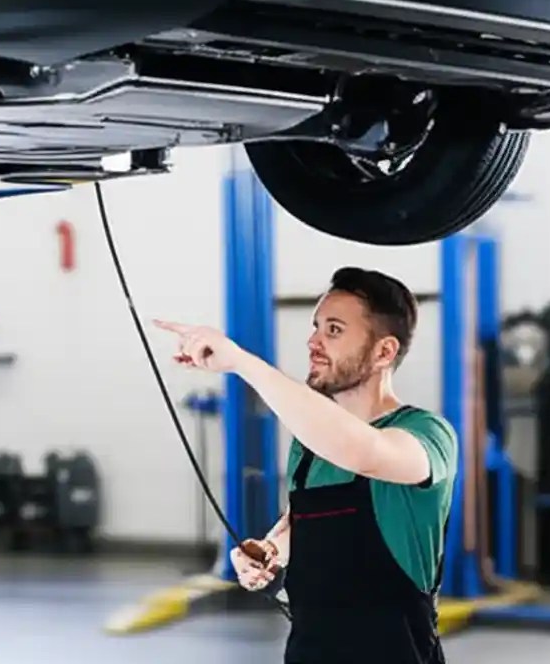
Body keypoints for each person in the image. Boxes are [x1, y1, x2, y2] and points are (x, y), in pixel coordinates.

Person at [155, 266, 457, 664]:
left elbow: (364, 453)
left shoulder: (426, 433)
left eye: (333, 330)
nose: (313, 341)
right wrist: (269, 551)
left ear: (384, 351)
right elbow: (301, 522)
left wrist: (244, 363)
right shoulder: (310, 443)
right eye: (316, 327)